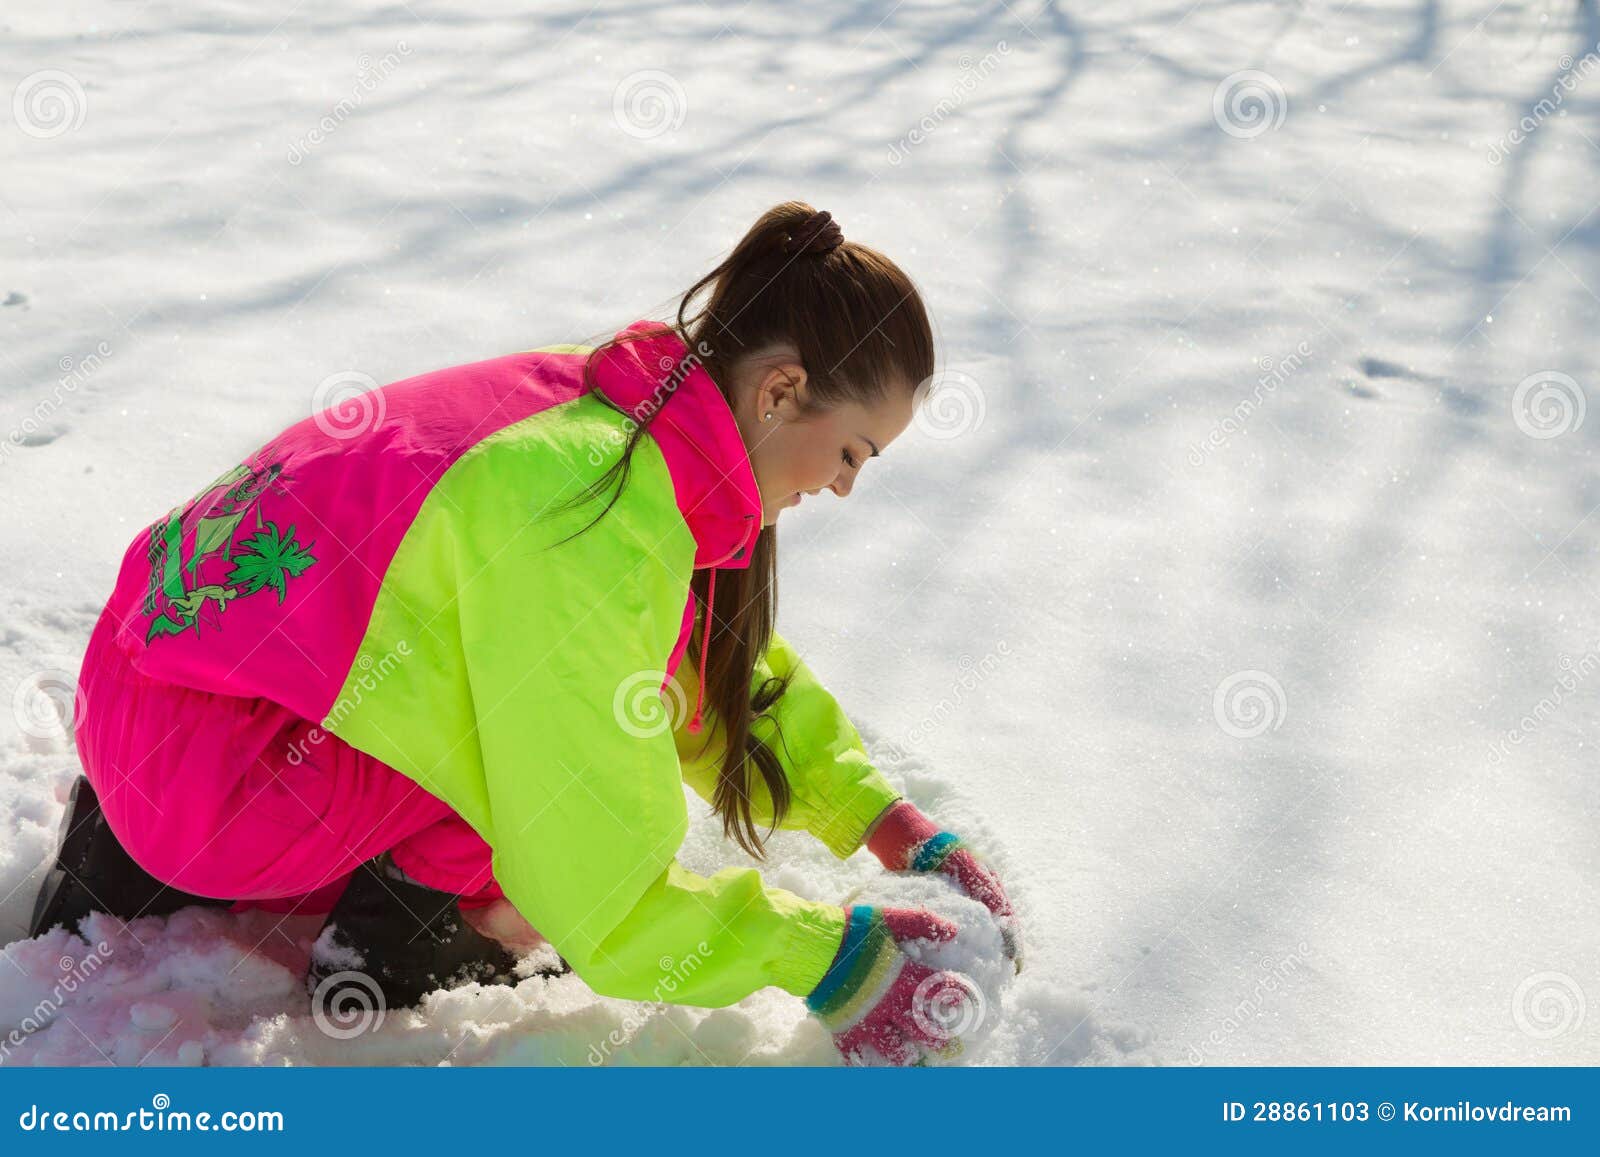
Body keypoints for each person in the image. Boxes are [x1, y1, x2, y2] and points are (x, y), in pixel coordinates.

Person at [31, 201, 1019, 1066]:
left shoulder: (617, 412)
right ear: (780, 390)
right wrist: (836, 961)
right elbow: (601, 884)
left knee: (524, 672)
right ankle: (402, 939)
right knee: (533, 747)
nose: (841, 486)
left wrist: (878, 817)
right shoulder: (593, 519)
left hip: (151, 684)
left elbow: (691, 656)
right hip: (215, 781)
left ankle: (119, 862)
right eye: (850, 452)